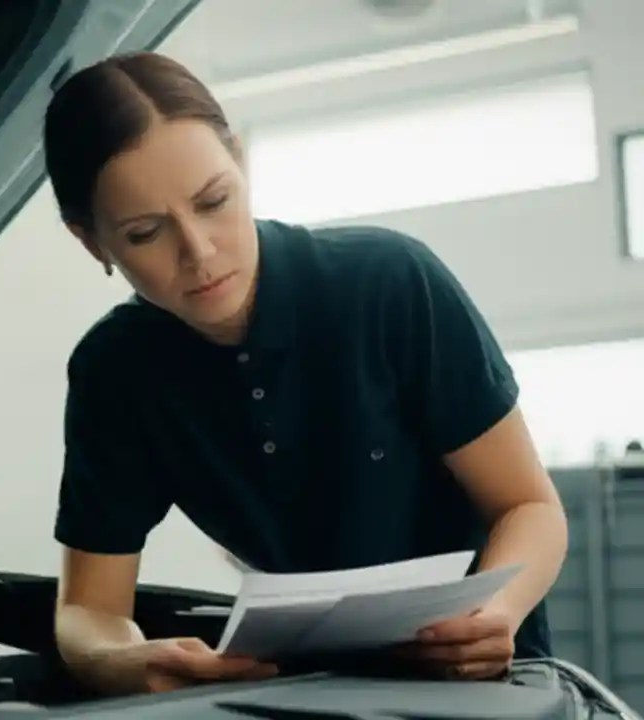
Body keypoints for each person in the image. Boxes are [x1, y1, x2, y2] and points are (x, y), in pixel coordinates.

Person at [43, 51, 569, 696]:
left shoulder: (391, 283)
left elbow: (530, 505)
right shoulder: (114, 372)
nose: (200, 253)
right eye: (146, 232)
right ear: (91, 241)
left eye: (214, 201)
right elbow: (89, 609)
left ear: (242, 163)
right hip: (308, 694)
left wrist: (497, 613)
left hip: (484, 680)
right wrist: (118, 661)